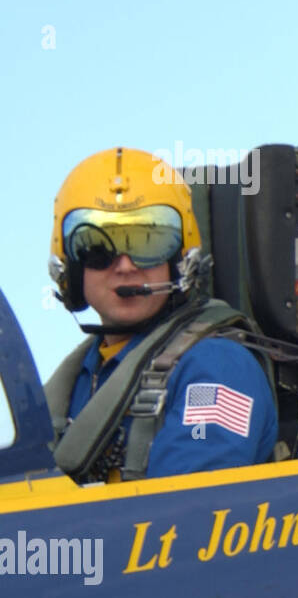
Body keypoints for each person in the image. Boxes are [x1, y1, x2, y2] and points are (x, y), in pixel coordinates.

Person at [43, 147, 278, 482]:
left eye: (149, 242)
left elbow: (191, 503)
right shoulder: (74, 381)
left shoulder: (218, 369)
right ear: (71, 266)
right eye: (97, 248)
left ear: (180, 259)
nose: (125, 266)